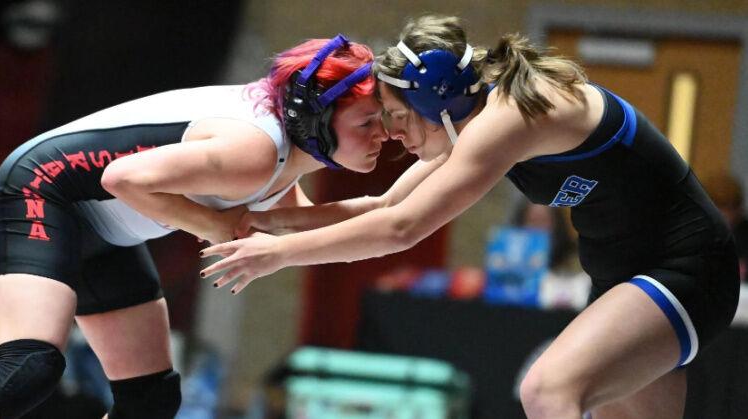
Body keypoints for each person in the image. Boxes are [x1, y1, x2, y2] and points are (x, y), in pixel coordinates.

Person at [201, 15, 740, 419]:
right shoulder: (474, 117)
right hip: (624, 277)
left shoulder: (509, 119)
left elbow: (401, 230)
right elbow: (384, 206)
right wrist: (266, 220)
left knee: (546, 389)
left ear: (438, 101)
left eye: (396, 116)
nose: (393, 134)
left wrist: (277, 256)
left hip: (686, 267)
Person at [0, 34, 386, 419]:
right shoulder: (254, 152)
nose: (383, 135)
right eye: (368, 122)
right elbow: (121, 178)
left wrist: (395, 209)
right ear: (317, 120)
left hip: (103, 229)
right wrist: (213, 223)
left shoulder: (282, 160)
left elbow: (304, 226)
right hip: (42, 192)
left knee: (149, 401)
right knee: (30, 368)